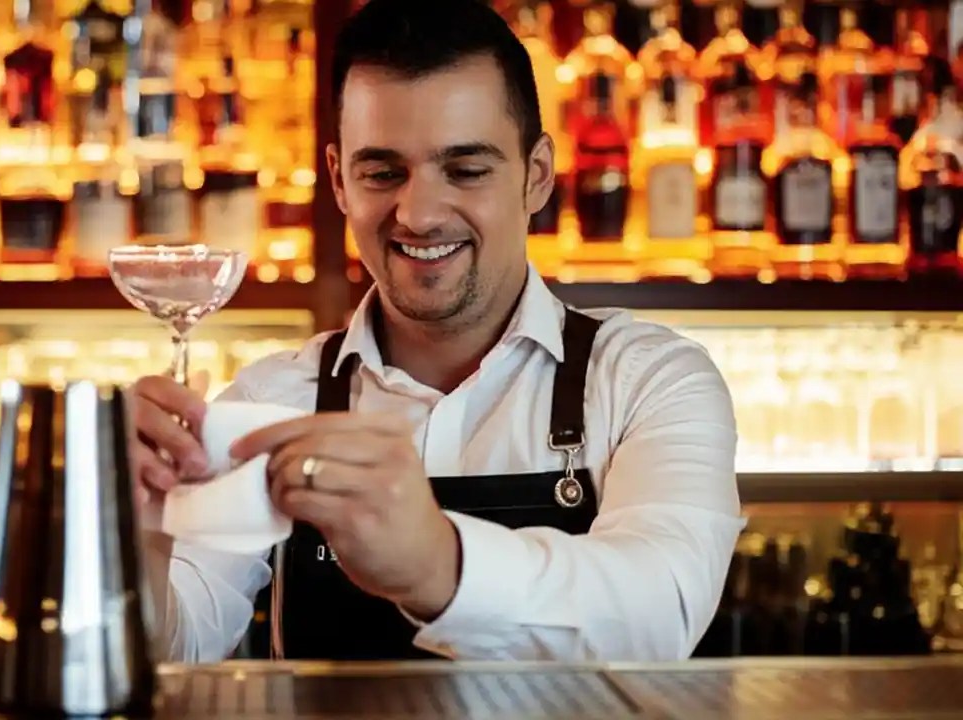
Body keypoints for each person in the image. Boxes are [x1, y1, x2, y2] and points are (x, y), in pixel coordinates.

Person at [130, 0, 744, 663]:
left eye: (466, 170)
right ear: (339, 180)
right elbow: (175, 648)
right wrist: (135, 534)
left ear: (536, 176)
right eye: (382, 173)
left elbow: (661, 610)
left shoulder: (648, 380)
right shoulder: (273, 396)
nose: (419, 214)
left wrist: (433, 564)